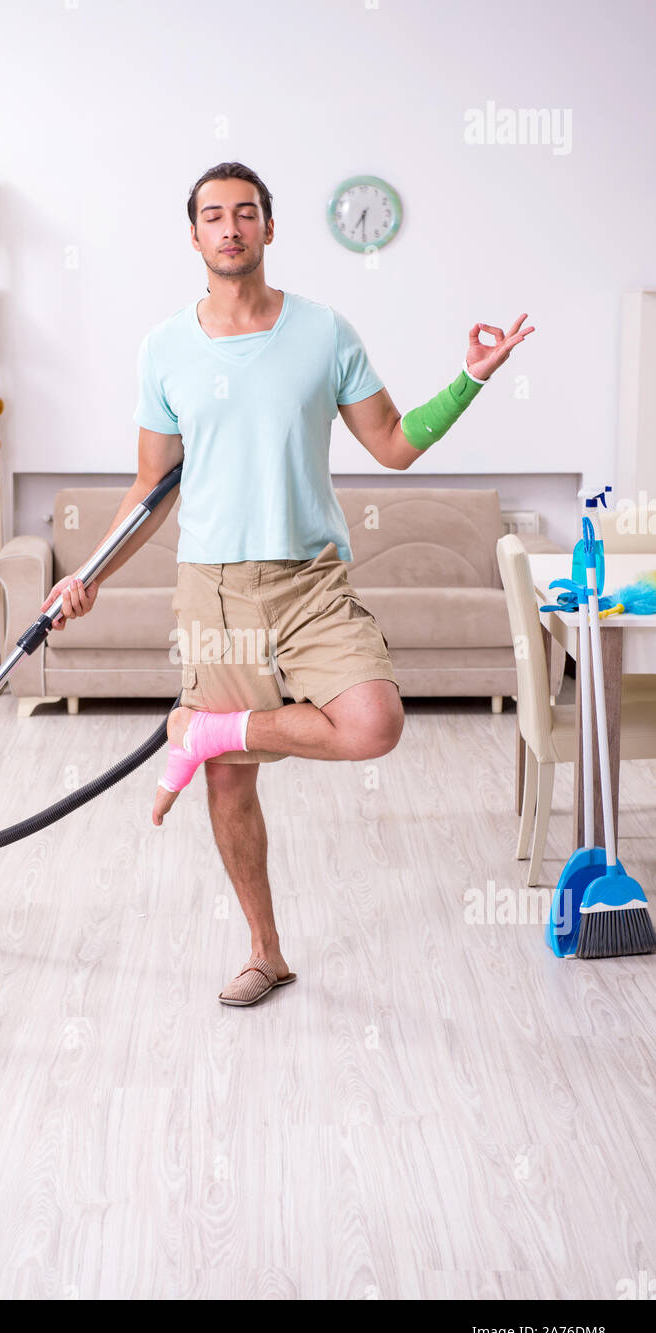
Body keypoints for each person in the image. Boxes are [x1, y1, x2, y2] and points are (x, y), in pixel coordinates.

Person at [41, 160, 534, 1005]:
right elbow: (148, 492)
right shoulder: (165, 348)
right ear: (193, 236)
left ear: (269, 228)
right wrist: (86, 574)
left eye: (244, 213)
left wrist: (472, 378)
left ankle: (206, 729)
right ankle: (265, 951)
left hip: (310, 580)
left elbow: (393, 443)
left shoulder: (323, 331)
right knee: (233, 778)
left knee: (373, 722)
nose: (229, 227)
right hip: (213, 589)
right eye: (212, 216)